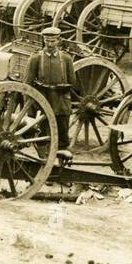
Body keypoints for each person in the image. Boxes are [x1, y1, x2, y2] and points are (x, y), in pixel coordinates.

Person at [26, 27, 78, 164]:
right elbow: (28, 84)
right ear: (43, 40)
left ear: (58, 41)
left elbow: (72, 81)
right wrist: (30, 109)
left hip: (61, 102)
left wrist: (63, 89)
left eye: (53, 41)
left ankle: (61, 168)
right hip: (44, 102)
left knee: (62, 136)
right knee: (43, 135)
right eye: (47, 41)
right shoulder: (36, 58)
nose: (50, 44)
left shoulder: (66, 59)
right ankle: (45, 166)